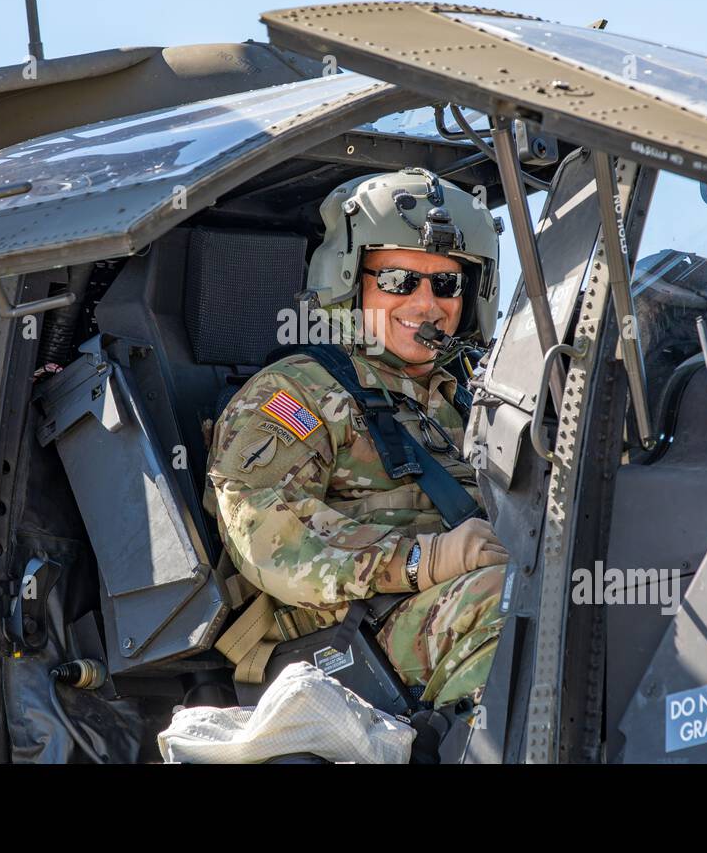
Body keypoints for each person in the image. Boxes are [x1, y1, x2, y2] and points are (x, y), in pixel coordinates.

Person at [204, 167, 509, 708]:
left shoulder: (482, 396)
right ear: (351, 280)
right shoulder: (298, 391)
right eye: (397, 281)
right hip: (354, 628)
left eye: (445, 283)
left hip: (452, 597)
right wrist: (422, 559)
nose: (425, 304)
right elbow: (266, 536)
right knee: (517, 605)